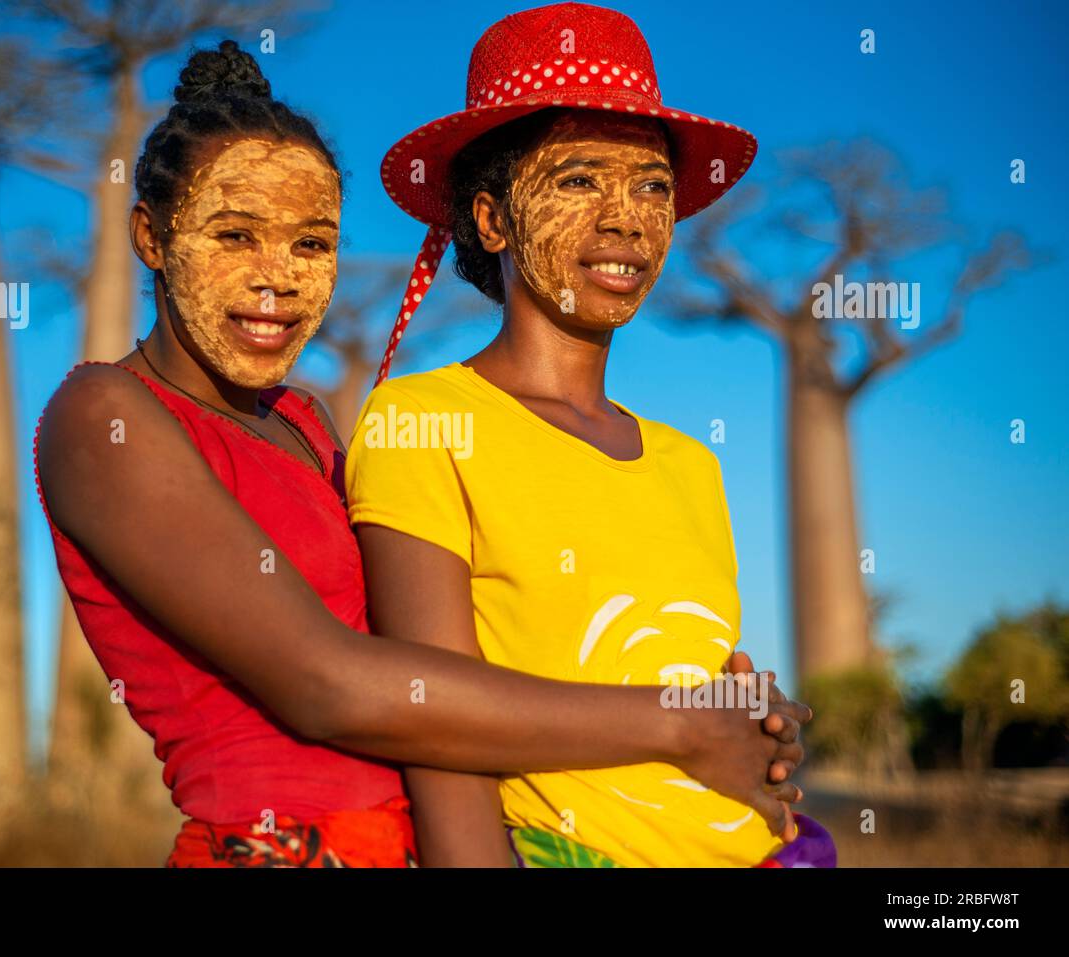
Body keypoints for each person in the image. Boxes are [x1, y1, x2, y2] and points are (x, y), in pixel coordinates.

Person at [34, 39, 808, 868]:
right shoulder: (104, 416)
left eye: (311, 244)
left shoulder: (306, 422)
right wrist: (682, 721)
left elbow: (459, 644)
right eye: (234, 234)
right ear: (150, 236)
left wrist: (740, 713)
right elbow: (325, 685)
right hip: (284, 849)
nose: (277, 280)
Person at [348, 2, 835, 867]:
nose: (626, 219)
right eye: (577, 180)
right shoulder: (423, 421)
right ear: (492, 220)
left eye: (652, 186)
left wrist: (758, 719)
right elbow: (428, 716)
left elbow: (684, 673)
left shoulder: (691, 464)